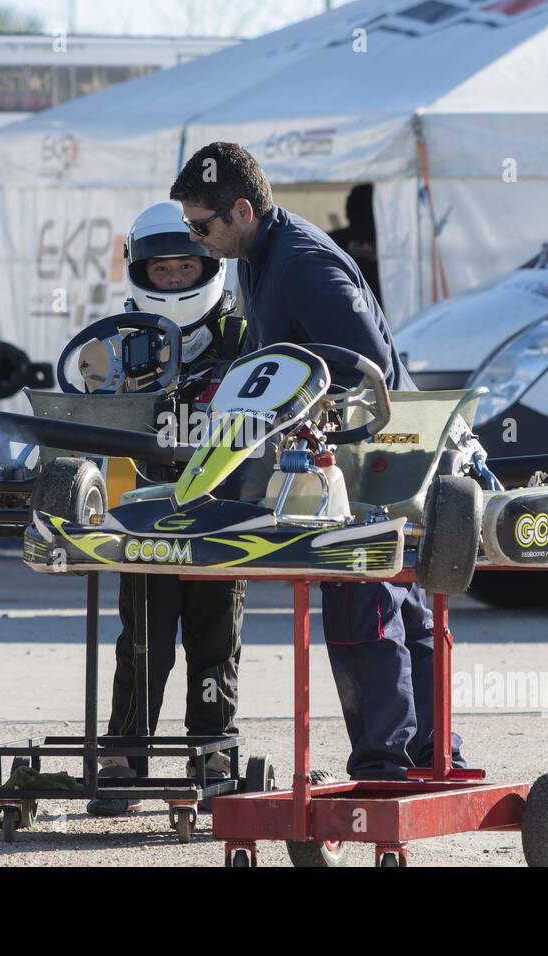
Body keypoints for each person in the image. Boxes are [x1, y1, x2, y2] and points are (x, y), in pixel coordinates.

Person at [170, 142, 465, 781]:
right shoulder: (254, 255)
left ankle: (390, 764)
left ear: (242, 210)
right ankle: (429, 753)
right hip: (360, 457)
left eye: (202, 226)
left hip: (384, 452)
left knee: (368, 603)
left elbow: (371, 370)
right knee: (396, 606)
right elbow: (273, 356)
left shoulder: (302, 262)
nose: (196, 240)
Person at [85, 201, 247, 816]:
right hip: (146, 509)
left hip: (222, 509)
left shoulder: (242, 334)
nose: (175, 279)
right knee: (144, 637)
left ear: (208, 265)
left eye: (186, 268)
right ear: (141, 272)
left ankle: (212, 748)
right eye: (164, 270)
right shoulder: (123, 339)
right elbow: (88, 405)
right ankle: (125, 753)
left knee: (215, 638)